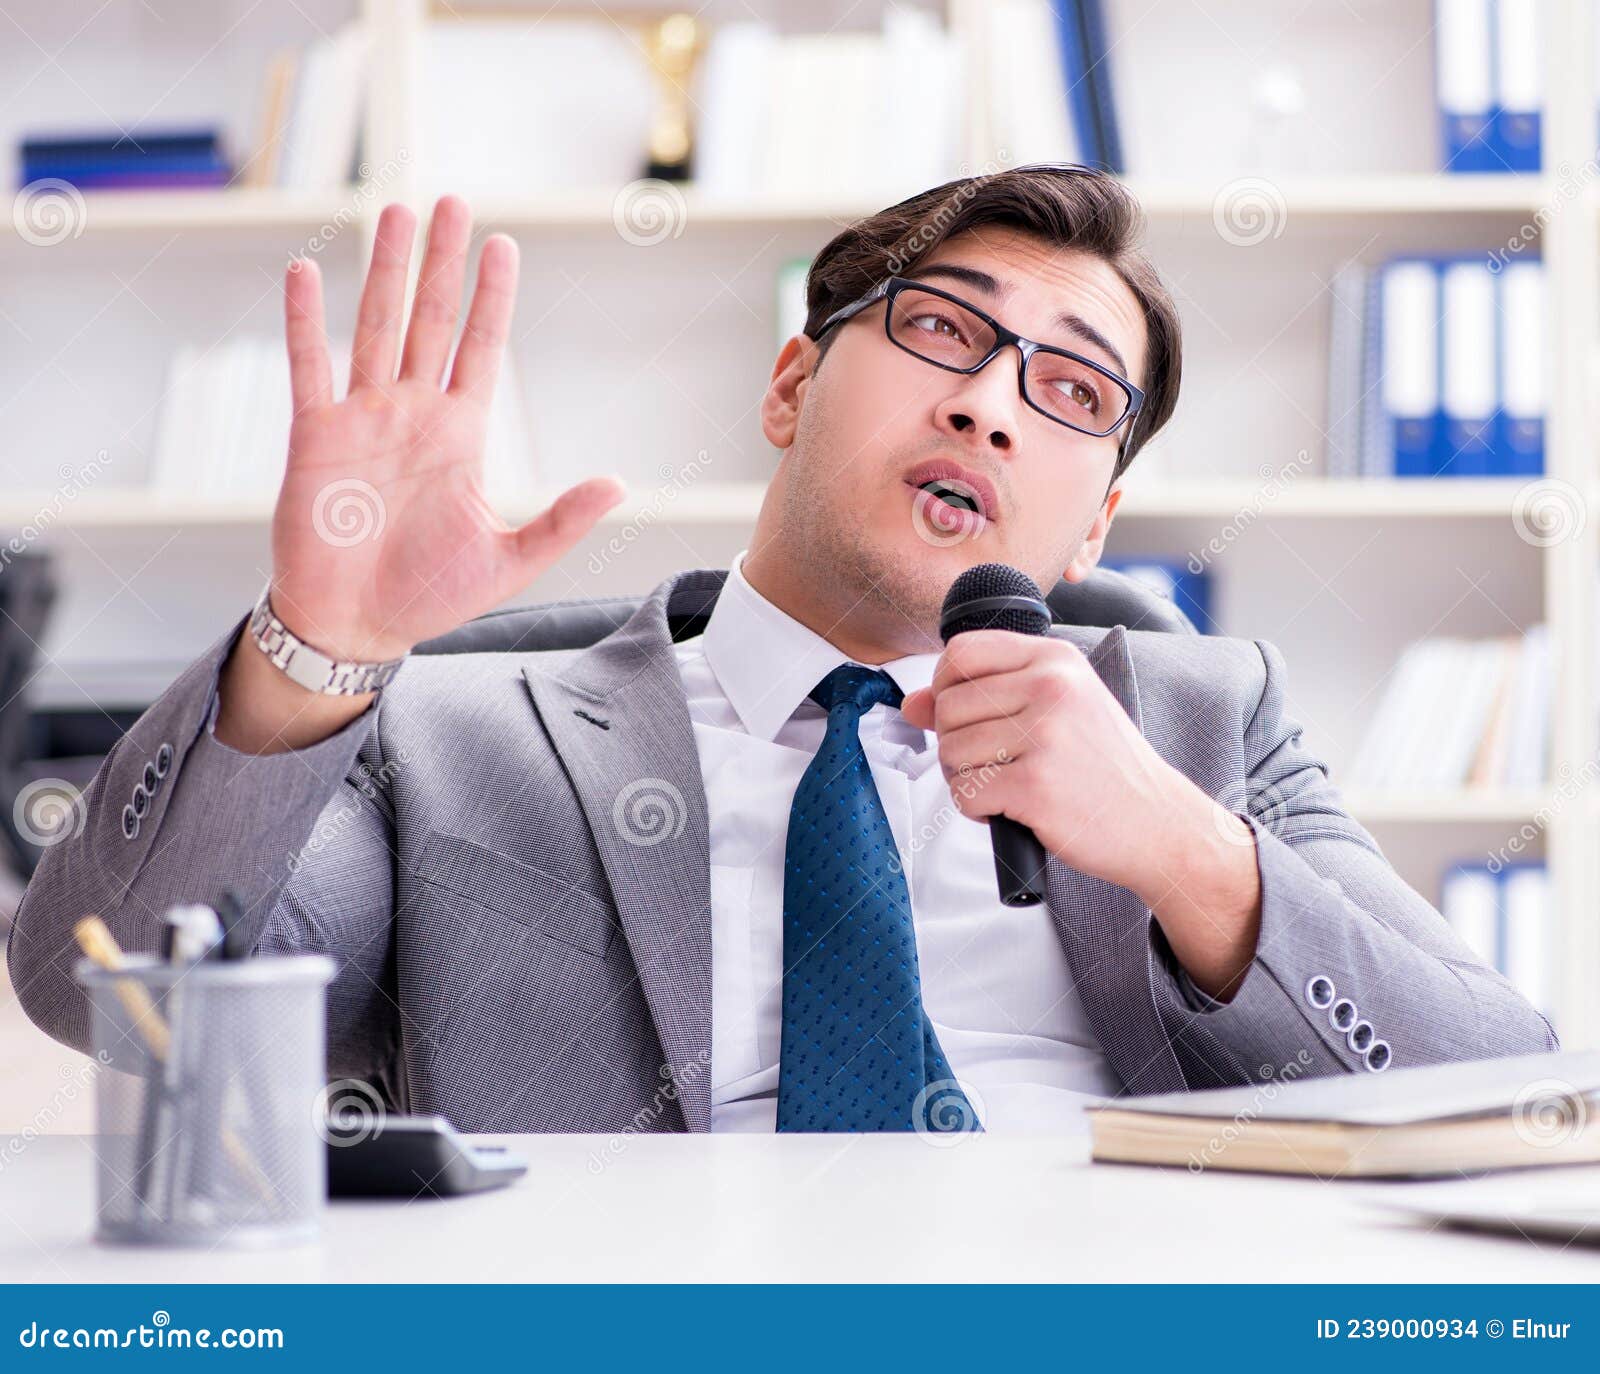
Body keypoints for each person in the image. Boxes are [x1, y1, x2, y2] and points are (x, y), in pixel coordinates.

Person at [9, 166, 1555, 1135]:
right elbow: (119, 1000)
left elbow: (1503, 1093)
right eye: (943, 329)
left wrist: (1182, 849)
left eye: (1075, 393)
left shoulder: (1209, 725)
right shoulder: (450, 732)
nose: (988, 405)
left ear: (1096, 525)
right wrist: (319, 649)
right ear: (792, 387)